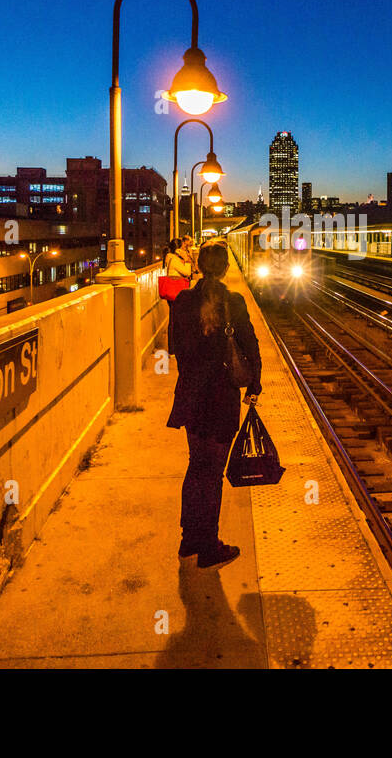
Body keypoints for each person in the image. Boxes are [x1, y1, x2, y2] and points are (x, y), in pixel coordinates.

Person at [166, 242, 262, 569]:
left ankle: (189, 539)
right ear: (224, 269)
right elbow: (250, 346)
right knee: (212, 474)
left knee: (196, 467)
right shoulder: (233, 303)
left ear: (199, 266)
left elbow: (174, 347)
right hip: (221, 398)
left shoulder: (182, 301)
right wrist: (254, 384)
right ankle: (209, 547)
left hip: (192, 396)